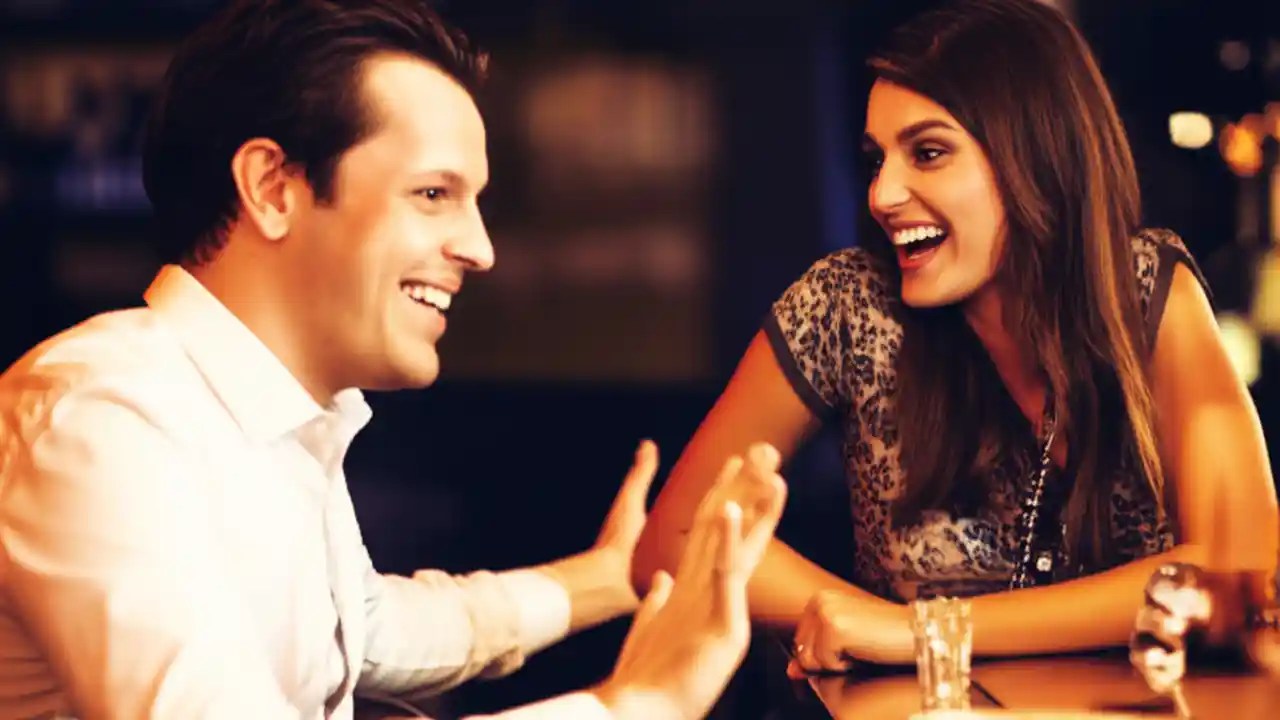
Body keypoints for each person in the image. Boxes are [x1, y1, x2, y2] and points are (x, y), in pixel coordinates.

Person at [0, 1, 788, 718]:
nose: (479, 249)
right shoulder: (102, 418)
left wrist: (606, 577)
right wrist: (638, 704)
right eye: (433, 195)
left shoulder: (266, 415)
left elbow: (365, 626)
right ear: (273, 188)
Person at [635, 0, 1278, 675]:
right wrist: (856, 622)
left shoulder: (1146, 290)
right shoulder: (848, 305)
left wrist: (920, 631)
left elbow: (1243, 565)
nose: (883, 193)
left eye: (929, 152)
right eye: (876, 159)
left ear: (1035, 159)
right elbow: (672, 540)